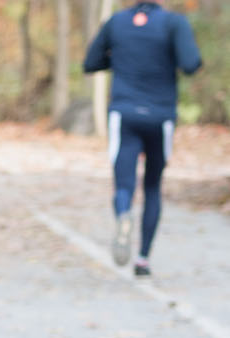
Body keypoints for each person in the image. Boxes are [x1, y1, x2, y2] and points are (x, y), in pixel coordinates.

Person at [83, 0, 203, 277]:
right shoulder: (175, 23)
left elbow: (91, 62)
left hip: (124, 113)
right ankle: (143, 259)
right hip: (160, 116)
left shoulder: (117, 22)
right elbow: (190, 64)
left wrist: (120, 58)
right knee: (152, 186)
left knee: (124, 183)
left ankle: (124, 213)